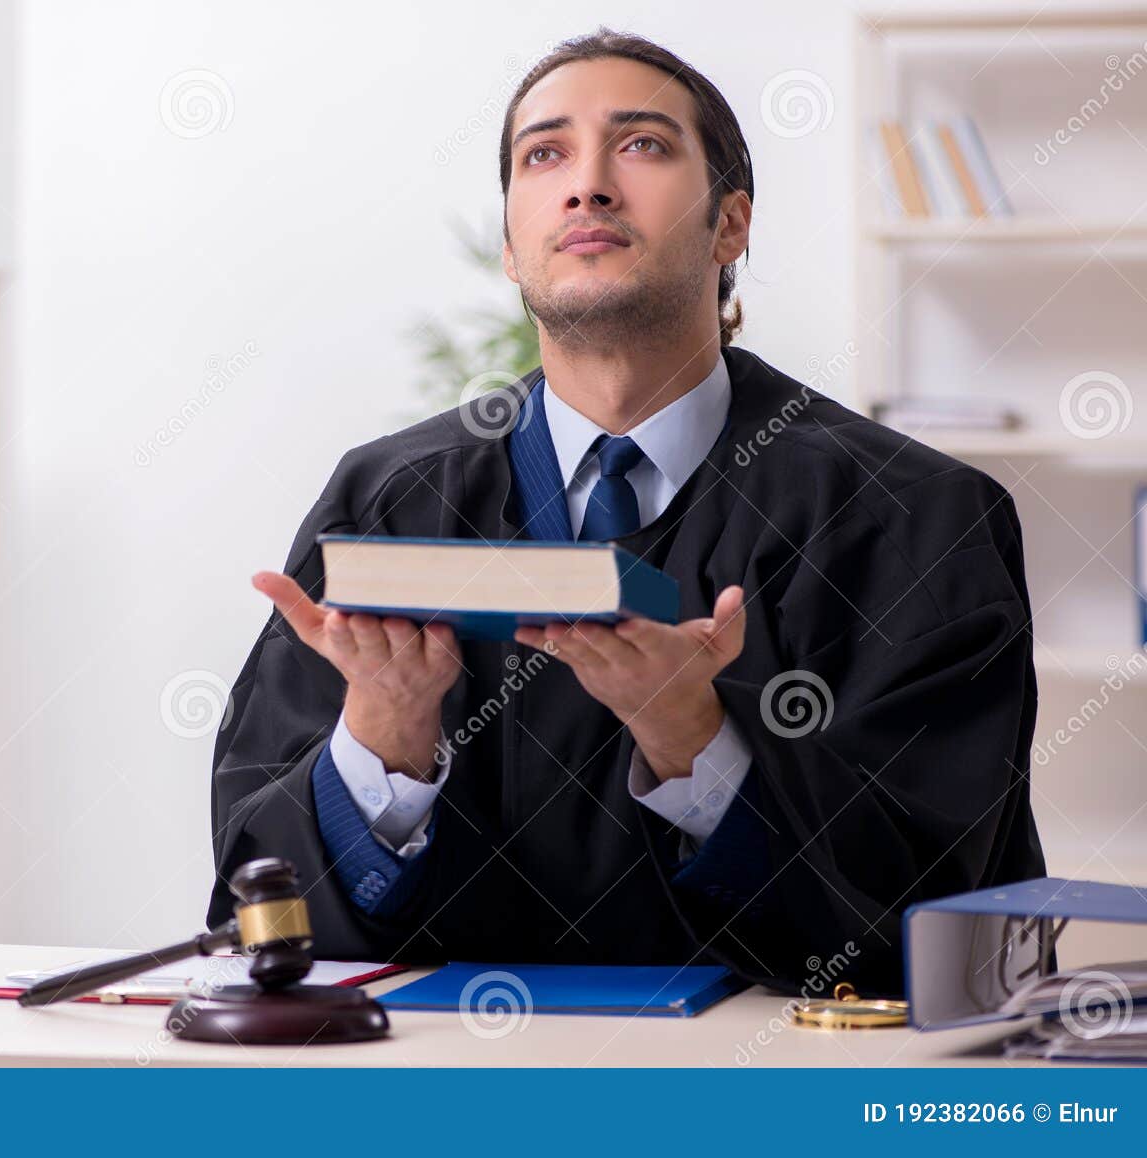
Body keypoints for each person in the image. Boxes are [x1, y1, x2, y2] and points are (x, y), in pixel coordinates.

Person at [206, 28, 1045, 994]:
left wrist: (694, 742)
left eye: (642, 145)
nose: (588, 185)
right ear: (514, 247)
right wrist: (385, 742)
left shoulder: (916, 518)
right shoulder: (389, 505)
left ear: (730, 226)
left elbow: (938, 924)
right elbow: (253, 914)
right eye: (545, 154)